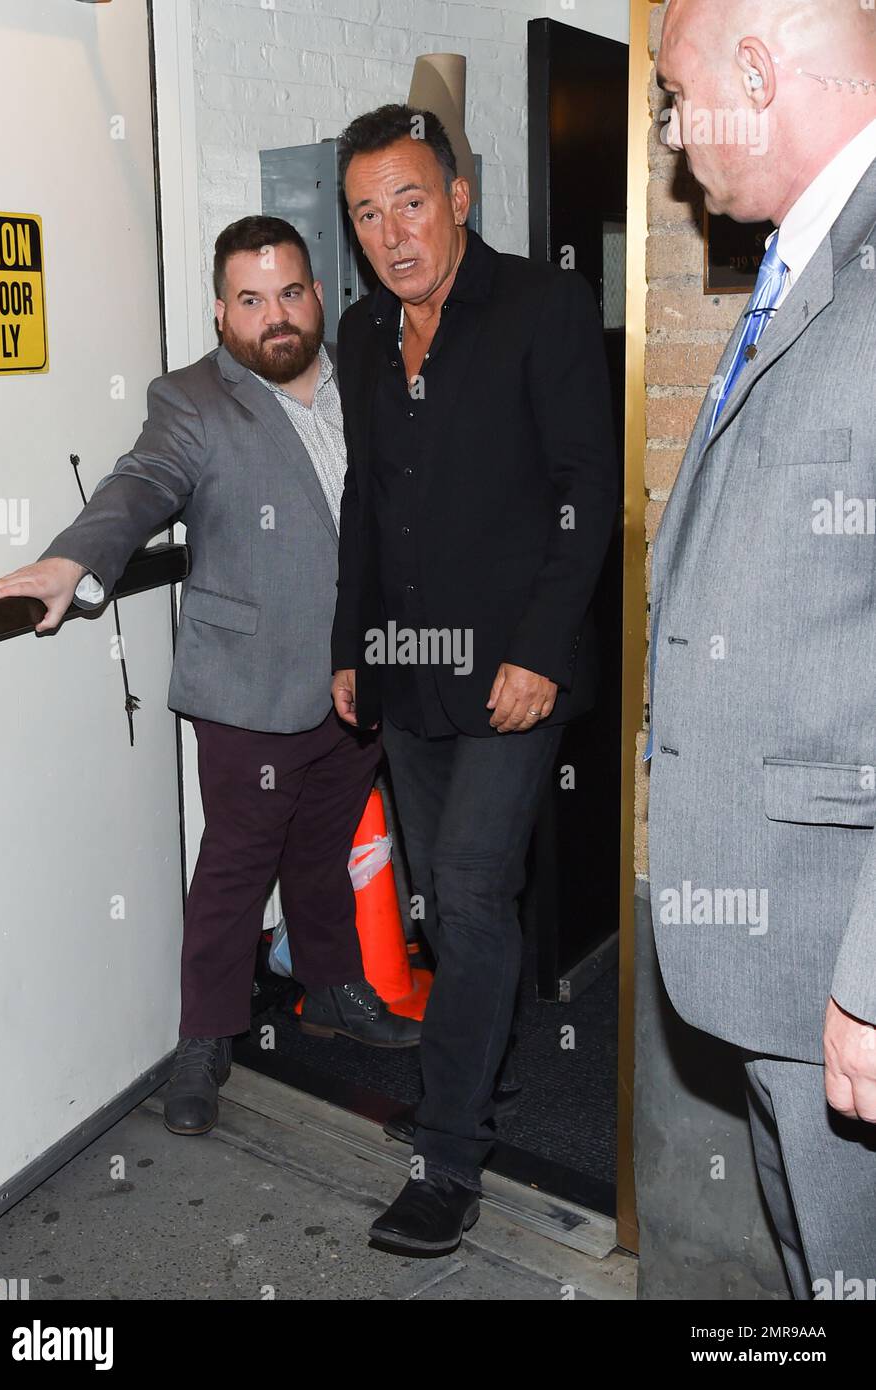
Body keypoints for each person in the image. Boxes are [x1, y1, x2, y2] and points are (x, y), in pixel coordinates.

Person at [0, 215, 419, 1138]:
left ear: (318, 295)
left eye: (289, 292)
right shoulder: (190, 400)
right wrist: (71, 562)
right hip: (249, 683)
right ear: (222, 313)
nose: (274, 316)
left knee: (324, 846)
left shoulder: (373, 377)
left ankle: (333, 989)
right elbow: (142, 482)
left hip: (358, 676)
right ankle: (205, 1038)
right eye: (250, 300)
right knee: (234, 864)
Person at [329, 104, 617, 1255]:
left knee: (468, 885)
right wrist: (350, 641)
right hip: (407, 672)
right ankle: (479, 1087)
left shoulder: (541, 306)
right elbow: (365, 502)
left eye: (410, 199)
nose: (392, 231)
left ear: (459, 196)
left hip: (509, 673)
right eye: (366, 212)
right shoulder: (360, 335)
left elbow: (586, 488)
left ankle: (445, 1158)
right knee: (455, 908)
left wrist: (542, 648)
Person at [650, 0, 876, 1298]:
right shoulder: (804, 264)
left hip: (836, 956)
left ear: (752, 69)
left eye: (678, 98)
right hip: (775, 947)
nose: (677, 141)